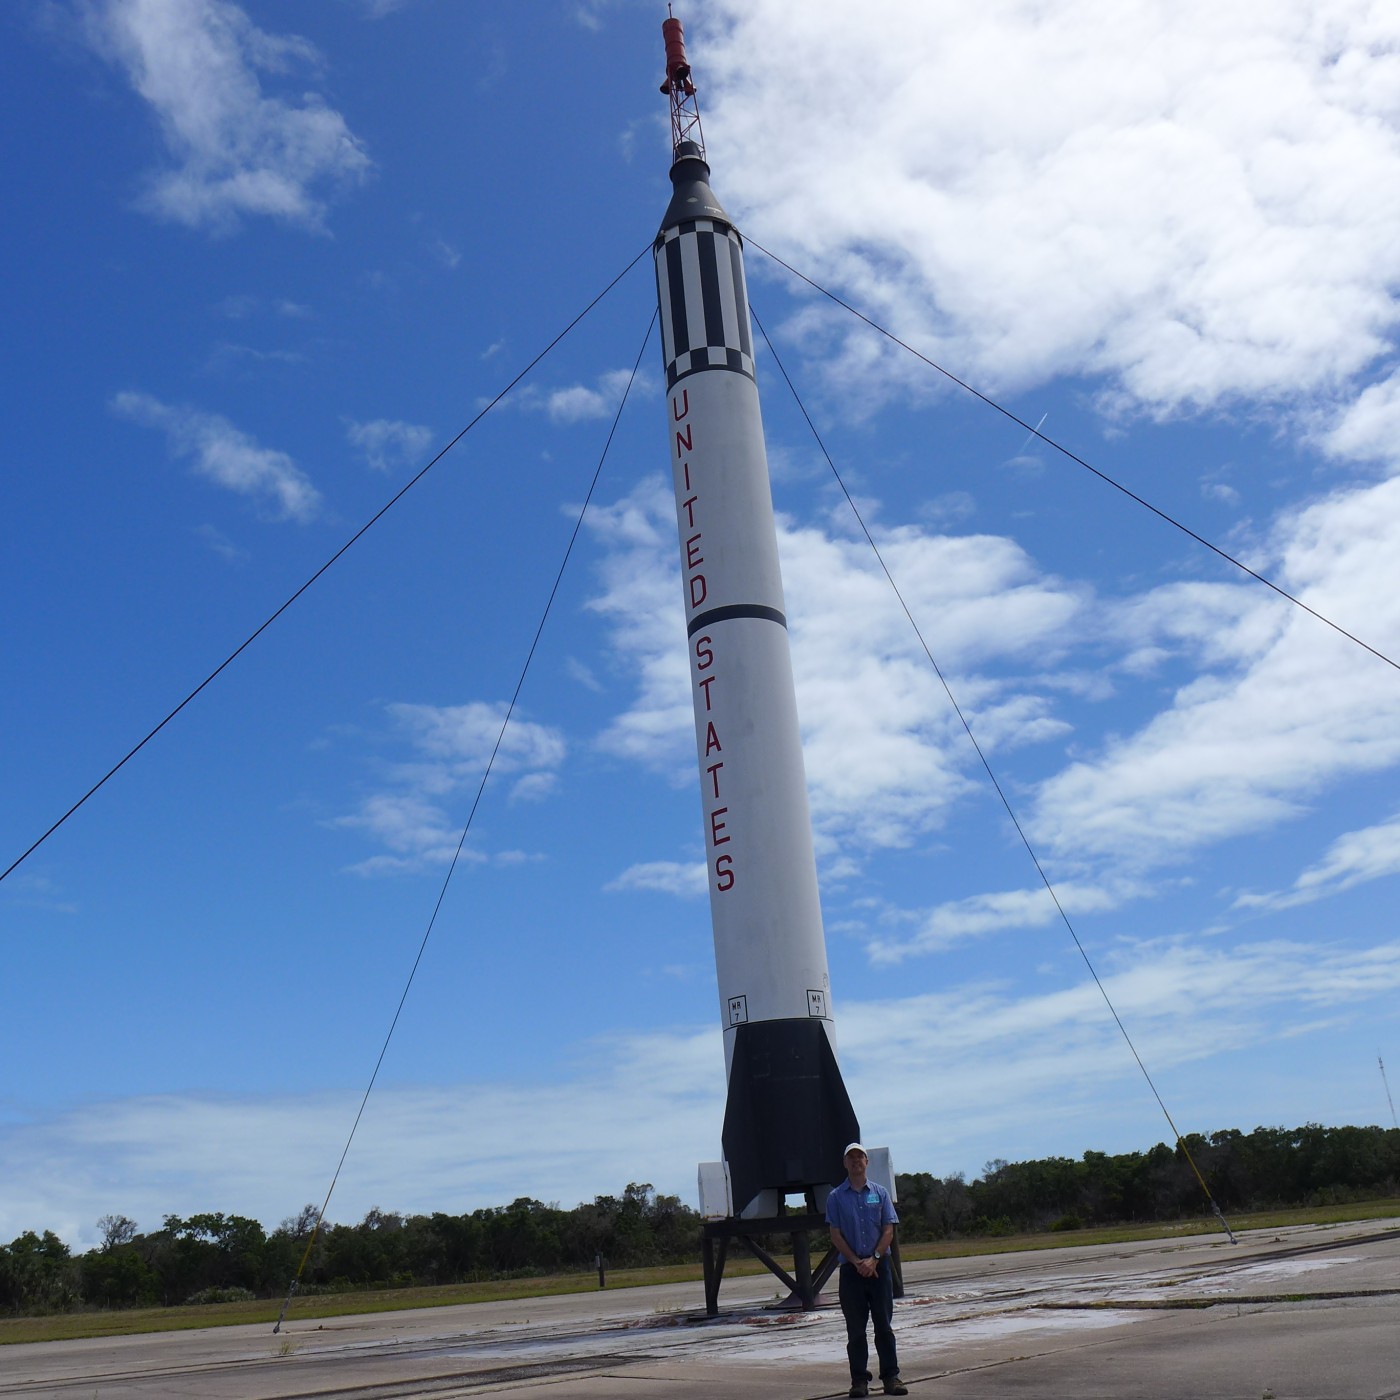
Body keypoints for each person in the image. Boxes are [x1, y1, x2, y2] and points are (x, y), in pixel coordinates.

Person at [825, 1142, 907, 1398]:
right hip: (852, 1272)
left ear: (866, 1162)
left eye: (860, 1157)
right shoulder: (835, 1197)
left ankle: (891, 1377)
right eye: (851, 1157)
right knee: (856, 1330)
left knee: (884, 1326)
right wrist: (856, 1261)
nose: (856, 1161)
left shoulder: (880, 1193)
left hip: (879, 1269)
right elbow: (835, 1234)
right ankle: (859, 1381)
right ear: (845, 1163)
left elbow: (888, 1230)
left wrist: (874, 1259)